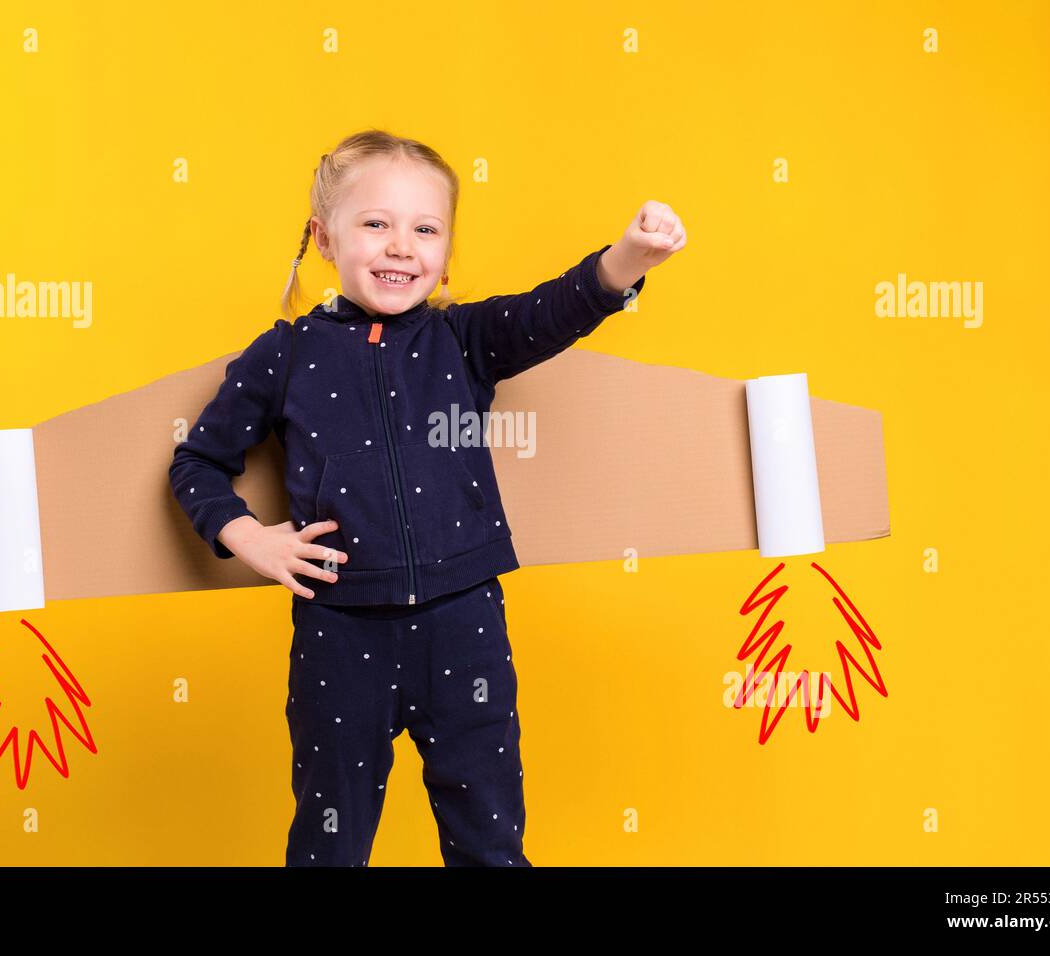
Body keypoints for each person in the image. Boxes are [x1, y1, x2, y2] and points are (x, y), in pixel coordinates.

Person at [169, 128, 686, 865]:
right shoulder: (285, 355)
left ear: (447, 248)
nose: (401, 246)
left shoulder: (465, 339)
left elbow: (552, 310)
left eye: (425, 228)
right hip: (341, 636)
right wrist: (248, 536)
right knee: (328, 843)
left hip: (464, 623)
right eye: (375, 224)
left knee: (489, 839)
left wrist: (628, 258)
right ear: (324, 237)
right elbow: (196, 461)